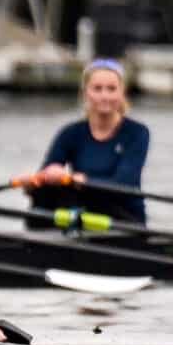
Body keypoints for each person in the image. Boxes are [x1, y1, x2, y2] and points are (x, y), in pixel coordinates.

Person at [20, 59, 152, 224]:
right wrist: (32, 183)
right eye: (97, 89)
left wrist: (78, 179)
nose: (105, 96)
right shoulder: (70, 133)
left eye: (111, 89)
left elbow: (124, 183)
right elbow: (47, 175)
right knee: (45, 194)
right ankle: (37, 243)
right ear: (85, 93)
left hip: (123, 217)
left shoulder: (137, 132)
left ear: (121, 93)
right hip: (85, 215)